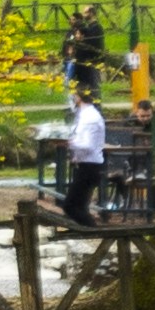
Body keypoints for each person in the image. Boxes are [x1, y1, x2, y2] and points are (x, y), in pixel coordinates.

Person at [60, 88, 113, 224]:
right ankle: (85, 229)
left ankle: (90, 229)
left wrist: (68, 143)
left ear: (78, 97)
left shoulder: (90, 118)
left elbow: (88, 145)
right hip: (84, 165)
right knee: (79, 206)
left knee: (70, 206)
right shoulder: (84, 115)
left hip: (89, 166)